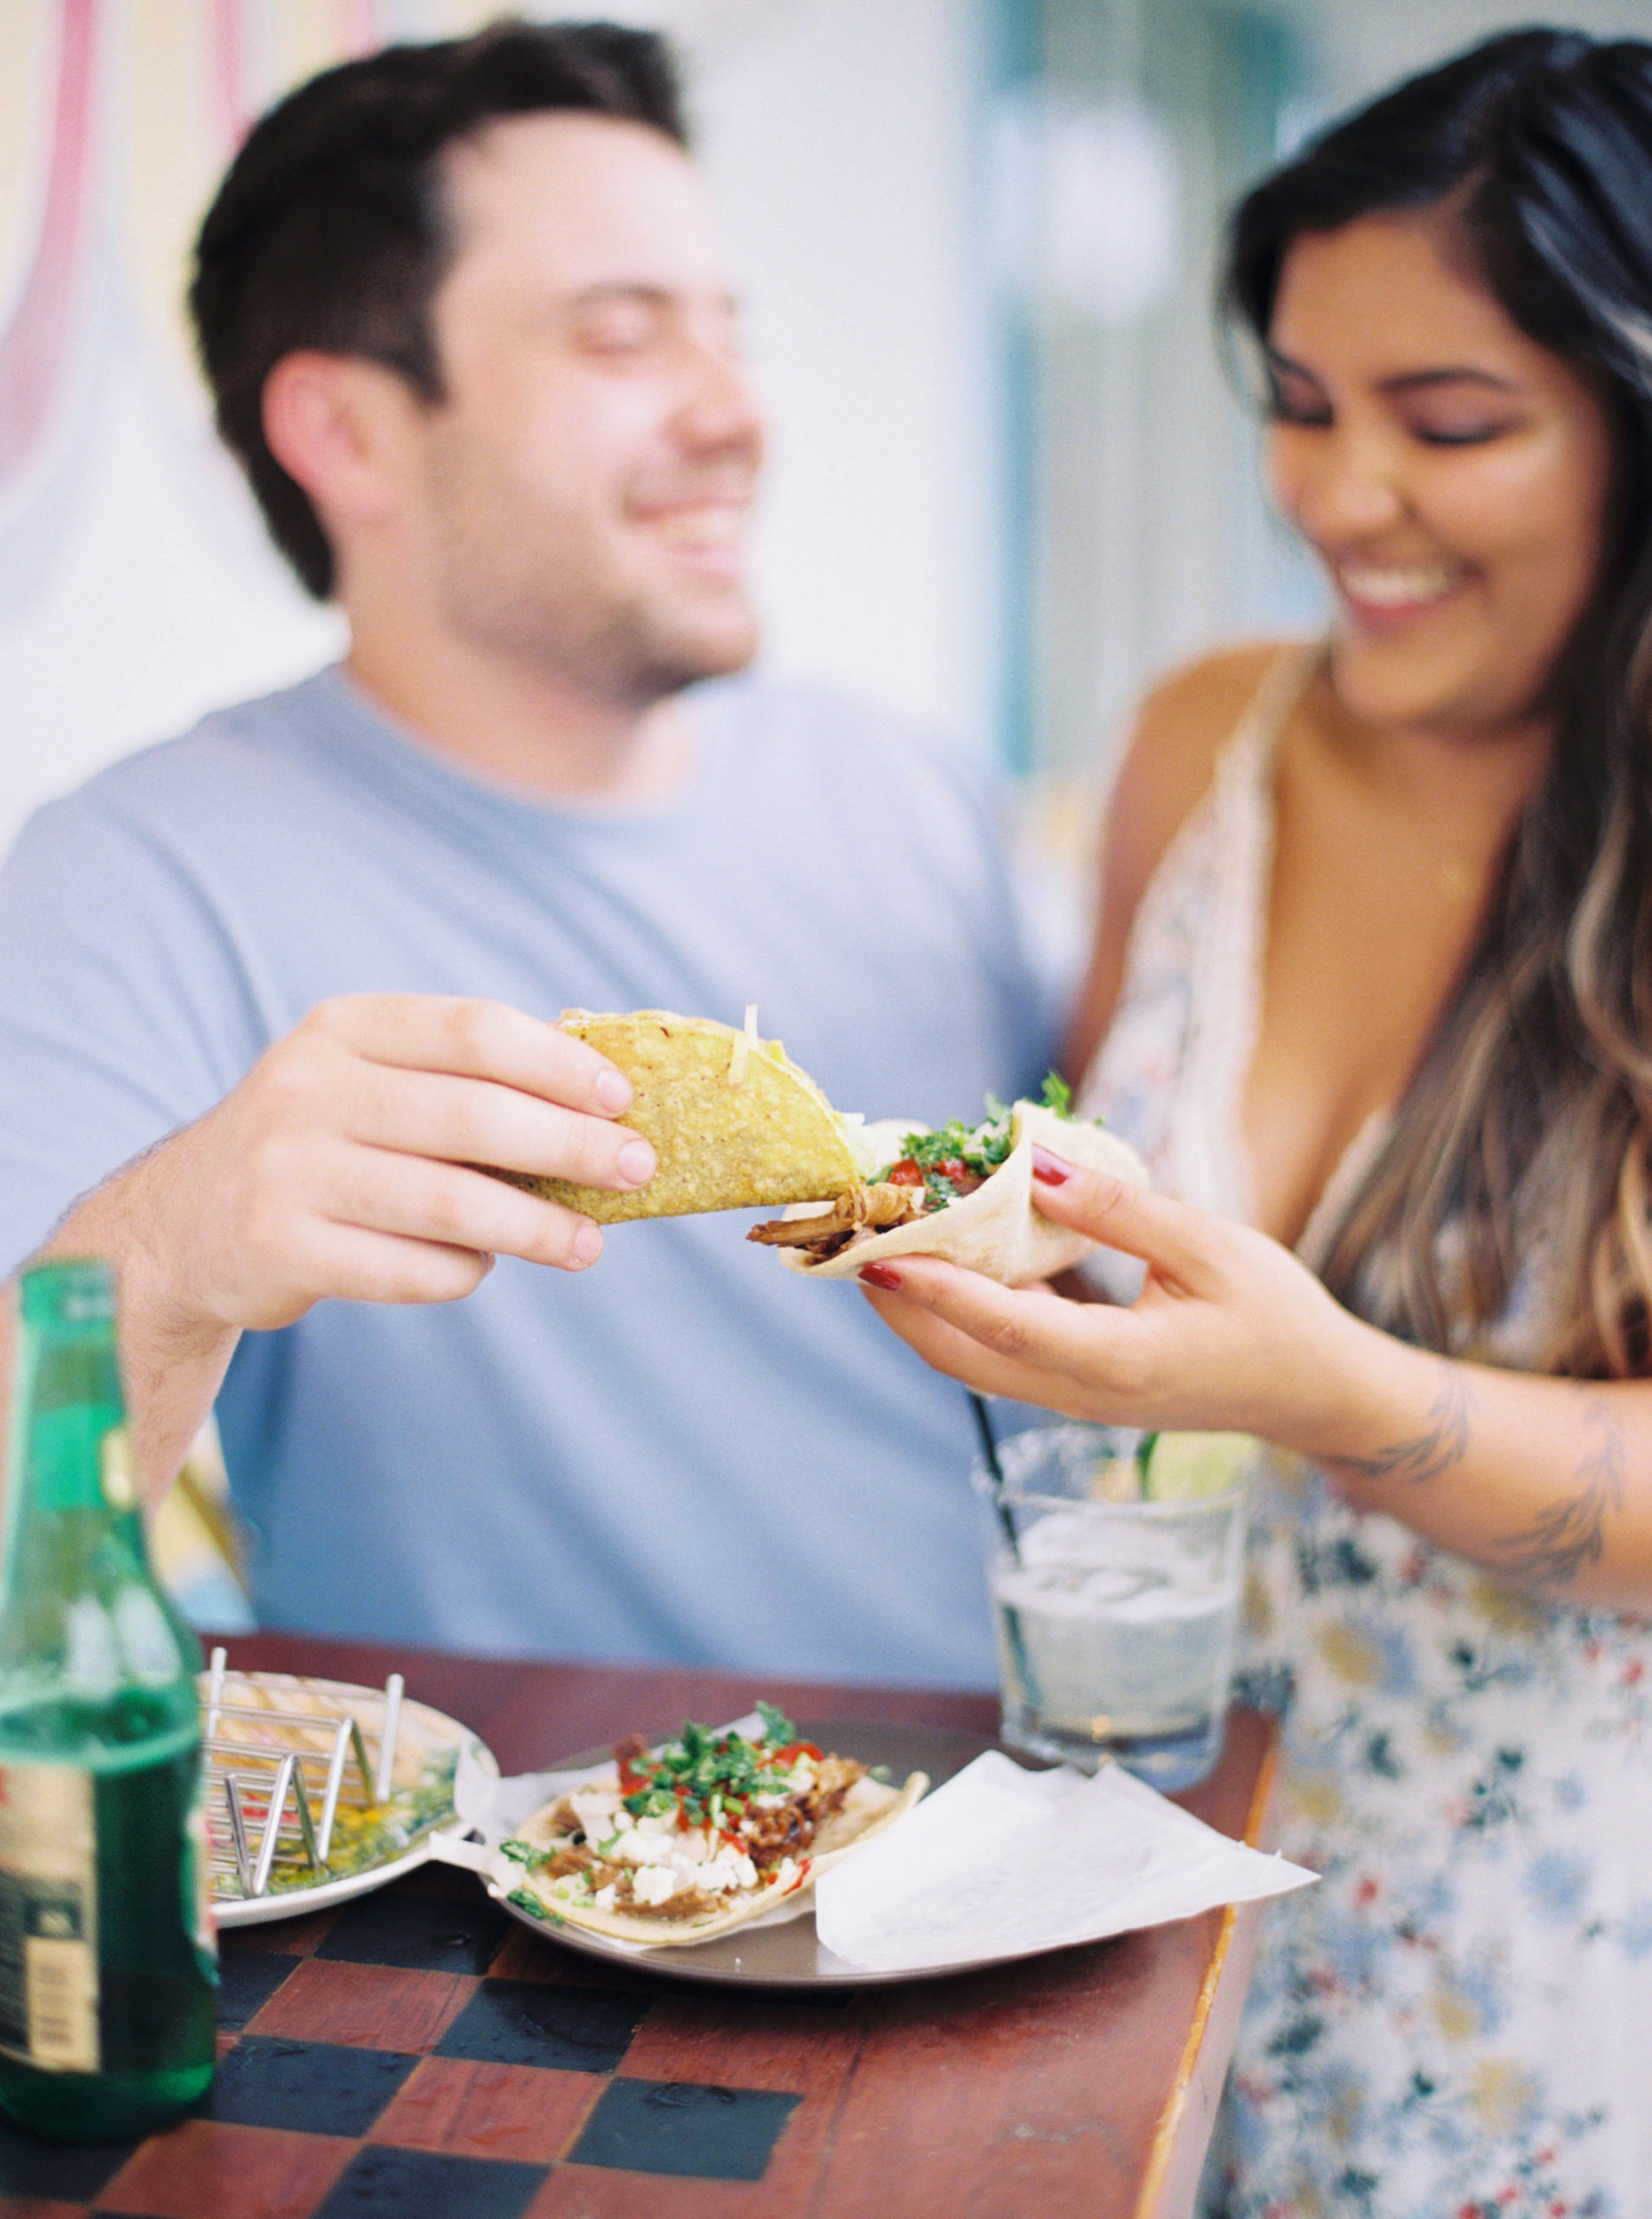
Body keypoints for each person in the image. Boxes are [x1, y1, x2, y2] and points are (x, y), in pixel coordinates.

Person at [0, 21, 1053, 1685]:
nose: (736, 415)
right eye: (623, 339)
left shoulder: (914, 792)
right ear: (347, 433)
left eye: (731, 334)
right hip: (521, 1893)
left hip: (1042, 1826)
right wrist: (171, 1250)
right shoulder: (137, 880)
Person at [861, 29, 1652, 2213]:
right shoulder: (1201, 741)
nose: (1332, 495)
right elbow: (1097, 1189)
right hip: (1120, 1908)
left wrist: (1326, 1390)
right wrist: (993, 1231)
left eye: (1449, 421)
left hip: (1535, 1989)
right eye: (1299, 407)